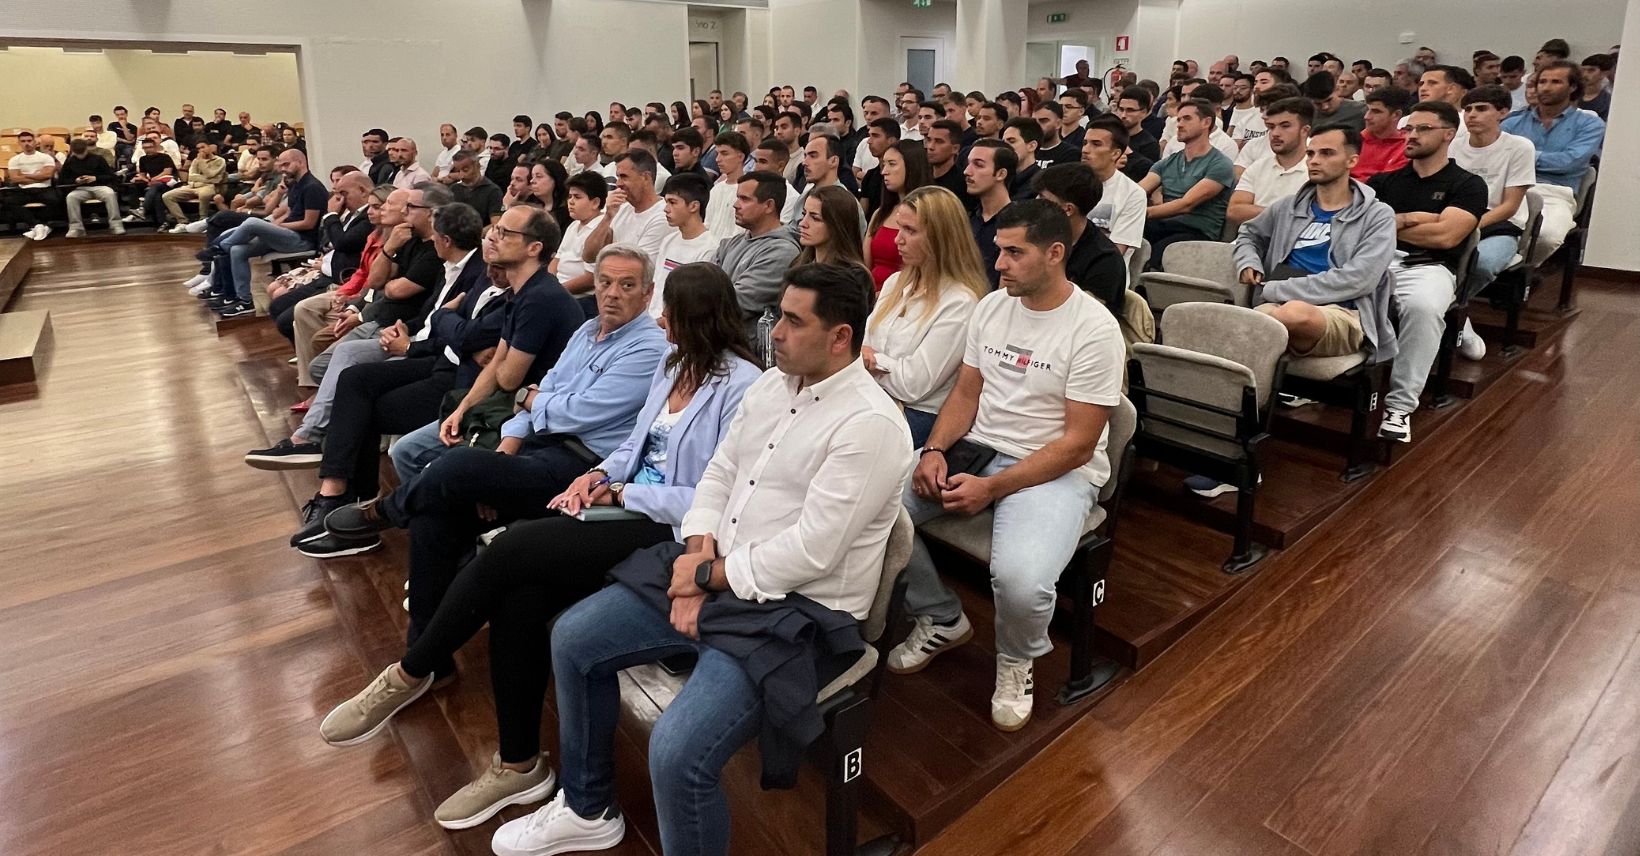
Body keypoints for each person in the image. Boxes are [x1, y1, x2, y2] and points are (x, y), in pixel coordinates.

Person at [315, 262, 761, 833]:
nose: (660, 318)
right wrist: (597, 476)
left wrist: (620, 489)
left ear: (692, 316)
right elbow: (634, 443)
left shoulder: (740, 385)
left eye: (666, 307)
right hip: (615, 496)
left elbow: (711, 494)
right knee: (516, 595)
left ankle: (412, 669)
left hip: (666, 526)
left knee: (514, 548)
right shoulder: (676, 364)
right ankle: (519, 763)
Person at [483, 261, 909, 856]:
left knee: (677, 750)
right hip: (720, 568)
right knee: (575, 637)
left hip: (799, 608)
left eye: (792, 321)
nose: (774, 333)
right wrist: (699, 550)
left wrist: (704, 580)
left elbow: (813, 550)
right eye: (778, 315)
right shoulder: (773, 384)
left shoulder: (871, 425)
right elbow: (720, 475)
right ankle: (586, 807)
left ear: (841, 337)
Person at [886, 199, 1125, 732]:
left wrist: (992, 488)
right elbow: (966, 393)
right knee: (874, 512)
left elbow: (1079, 444)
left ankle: (1016, 660)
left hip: (1055, 466)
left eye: (1015, 253)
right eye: (999, 249)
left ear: (1055, 254)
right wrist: (934, 451)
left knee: (1020, 581)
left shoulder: (1094, 328)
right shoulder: (994, 307)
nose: (1000, 263)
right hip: (979, 445)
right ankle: (942, 615)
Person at [310, 241, 668, 563]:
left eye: (627, 285)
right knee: (435, 513)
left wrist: (528, 400)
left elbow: (571, 410)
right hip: (531, 435)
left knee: (453, 465)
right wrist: (503, 455)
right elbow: (540, 389)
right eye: (604, 282)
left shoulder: (647, 347)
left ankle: (384, 513)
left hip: (580, 460)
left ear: (648, 293)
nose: (612, 294)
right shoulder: (586, 329)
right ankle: (430, 622)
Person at [247, 201, 487, 467]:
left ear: (446, 240)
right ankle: (309, 437)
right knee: (342, 354)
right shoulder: (447, 264)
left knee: (356, 383)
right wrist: (405, 327)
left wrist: (408, 346)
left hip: (431, 353)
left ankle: (314, 442)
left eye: (434, 234)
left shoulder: (475, 273)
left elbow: (458, 334)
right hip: (411, 334)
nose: (431, 239)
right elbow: (426, 310)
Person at [1367, 101, 1489, 444]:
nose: (1412, 135)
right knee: (1325, 288)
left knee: (1422, 307)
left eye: (1423, 129)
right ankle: (1320, 384)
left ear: (1448, 134)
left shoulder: (1467, 184)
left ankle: (1400, 406)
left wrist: (1394, 222)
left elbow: (1447, 235)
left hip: (1431, 266)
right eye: (1409, 129)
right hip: (1377, 259)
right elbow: (1360, 229)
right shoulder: (1384, 181)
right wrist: (1417, 219)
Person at [1235, 124, 1398, 367]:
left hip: (1343, 313)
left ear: (1352, 161)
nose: (1314, 161)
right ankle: (1254, 399)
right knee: (1255, 321)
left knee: (1289, 316)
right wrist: (1248, 260)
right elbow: (1248, 233)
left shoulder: (1377, 215)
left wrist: (1276, 288)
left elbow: (1359, 279)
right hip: (1277, 306)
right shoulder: (1288, 206)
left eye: (1327, 153)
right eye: (1311, 154)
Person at [863, 185, 986, 448]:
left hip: (914, 417)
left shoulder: (960, 302)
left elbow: (914, 385)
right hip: (871, 398)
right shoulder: (894, 283)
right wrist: (873, 362)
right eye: (899, 228)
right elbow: (861, 352)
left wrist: (873, 361)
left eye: (910, 231)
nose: (898, 239)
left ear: (939, 238)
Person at [1448, 85, 1537, 360]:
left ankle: (1452, 314)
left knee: (1482, 264)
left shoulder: (1518, 147)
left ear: (1502, 112)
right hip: (1455, 217)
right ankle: (1460, 320)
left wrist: (1471, 225)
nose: (1472, 115)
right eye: (1468, 109)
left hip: (1500, 224)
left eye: (1481, 108)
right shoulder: (1453, 144)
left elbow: (1509, 206)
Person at [1501, 60, 1605, 265]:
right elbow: (1499, 158)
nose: (1546, 87)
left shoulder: (1589, 124)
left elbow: (1570, 162)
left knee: (1547, 237)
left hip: (1556, 192)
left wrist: (1524, 154)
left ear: (1573, 86)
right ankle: (1497, 271)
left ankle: (1522, 271)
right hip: (1510, 189)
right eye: (1542, 82)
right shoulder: (1512, 122)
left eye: (1555, 82)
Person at [209, 149, 331, 317]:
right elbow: (288, 212)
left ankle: (221, 247)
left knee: (252, 222)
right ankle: (244, 301)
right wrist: (273, 227)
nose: (282, 169)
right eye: (280, 165)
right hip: (288, 235)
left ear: (301, 162)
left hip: (303, 240)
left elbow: (308, 223)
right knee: (238, 250)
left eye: (286, 164)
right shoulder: (295, 184)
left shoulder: (313, 187)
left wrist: (277, 228)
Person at [1140, 98, 1236, 264]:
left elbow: (1187, 204)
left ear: (1206, 122)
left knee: (1159, 253)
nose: (1179, 124)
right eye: (1179, 119)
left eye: (1187, 119)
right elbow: (1138, 191)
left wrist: (1142, 213)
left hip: (1196, 232)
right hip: (1162, 225)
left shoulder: (1220, 164)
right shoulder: (1168, 162)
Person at [715, 170, 802, 341]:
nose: (735, 204)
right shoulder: (730, 243)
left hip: (745, 350)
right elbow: (703, 284)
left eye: (744, 199)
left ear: (769, 206)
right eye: (737, 197)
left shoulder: (783, 252)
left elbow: (734, 303)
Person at [1033, 163, 1128, 309]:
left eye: (1043, 198)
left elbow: (1085, 316)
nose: (1035, 203)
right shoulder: (1032, 239)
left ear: (1068, 209)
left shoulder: (1105, 261)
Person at [1227, 97, 1314, 227]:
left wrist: (1257, 211)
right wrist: (1286, 213)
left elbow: (1312, 217)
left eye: (1285, 126)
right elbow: (1234, 211)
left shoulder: (1317, 170)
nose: (1275, 134)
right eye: (1271, 127)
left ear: (1305, 131)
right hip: (1253, 240)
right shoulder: (1257, 167)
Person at [583, 150, 673, 270]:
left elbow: (639, 269)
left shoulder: (662, 216)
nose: (618, 183)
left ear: (646, 177)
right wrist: (607, 217)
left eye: (624, 177)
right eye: (618, 177)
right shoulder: (621, 209)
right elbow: (588, 255)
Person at [651, 173, 720, 317]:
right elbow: (656, 286)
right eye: (666, 202)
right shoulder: (668, 240)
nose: (666, 209)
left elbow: (695, 302)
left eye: (673, 202)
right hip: (652, 322)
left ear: (694, 206)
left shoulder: (710, 248)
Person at [866, 140, 932, 291]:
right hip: (872, 294)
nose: (884, 171)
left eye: (892, 164)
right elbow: (866, 263)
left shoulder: (928, 213)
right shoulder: (881, 213)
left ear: (912, 167)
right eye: (884, 164)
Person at [1080, 118, 1148, 260]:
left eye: (1096, 144)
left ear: (1116, 154)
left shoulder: (1133, 194)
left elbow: (1115, 253)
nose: (1085, 150)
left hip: (1103, 273)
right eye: (1085, 143)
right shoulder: (1067, 184)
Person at [965, 140, 1017, 288]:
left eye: (978, 165)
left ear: (1001, 174)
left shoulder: (1018, 224)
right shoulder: (968, 220)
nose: (967, 171)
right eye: (968, 163)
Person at [553, 171, 609, 306]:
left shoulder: (602, 228)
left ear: (595, 202)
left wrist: (556, 292)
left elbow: (591, 278)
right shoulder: (573, 225)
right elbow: (556, 260)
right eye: (570, 196)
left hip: (582, 300)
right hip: (559, 290)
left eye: (577, 197)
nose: (570, 202)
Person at [56, 138, 123, 238]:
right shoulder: (69, 161)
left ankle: (116, 224)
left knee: (110, 194)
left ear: (86, 149)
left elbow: (111, 176)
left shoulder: (98, 159)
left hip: (100, 186)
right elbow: (62, 180)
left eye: (82, 153)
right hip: (80, 189)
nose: (80, 156)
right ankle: (76, 227)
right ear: (73, 151)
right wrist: (76, 181)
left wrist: (95, 178)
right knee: (71, 197)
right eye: (77, 154)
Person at [793, 184, 866, 271]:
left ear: (836, 224)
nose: (802, 223)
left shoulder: (854, 276)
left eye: (815, 218)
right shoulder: (797, 264)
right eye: (804, 214)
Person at [161, 138, 226, 231]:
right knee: (167, 196)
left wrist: (201, 162)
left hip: (210, 186)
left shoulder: (219, 161)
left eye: (203, 147)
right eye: (198, 148)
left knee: (205, 194)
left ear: (210, 147)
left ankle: (202, 220)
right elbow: (191, 176)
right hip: (193, 186)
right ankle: (182, 222)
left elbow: (210, 174)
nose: (201, 150)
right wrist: (206, 179)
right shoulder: (196, 160)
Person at [1353, 87, 1412, 181]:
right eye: (1367, 110)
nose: (1366, 117)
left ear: (1396, 115)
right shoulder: (1352, 141)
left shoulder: (1406, 146)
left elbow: (1389, 183)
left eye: (1376, 111)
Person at [447, 150, 503, 224]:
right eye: (458, 171)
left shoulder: (493, 192)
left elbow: (495, 224)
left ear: (478, 166)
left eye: (465, 170)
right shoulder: (454, 189)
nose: (461, 176)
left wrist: (476, 234)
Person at [1303, 72, 1367, 132]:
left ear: (1337, 89)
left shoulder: (1361, 111)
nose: (1325, 107)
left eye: (1329, 100)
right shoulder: (1305, 115)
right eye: (1318, 104)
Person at [1002, 118, 1043, 200]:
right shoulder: (1002, 177)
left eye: (1012, 141)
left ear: (1032, 146)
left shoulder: (1041, 183)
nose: (1004, 147)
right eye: (1003, 142)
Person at [1578, 54, 1615, 120]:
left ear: (1604, 74)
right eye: (1583, 70)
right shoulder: (1571, 94)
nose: (1585, 75)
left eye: (1591, 70)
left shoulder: (1606, 101)